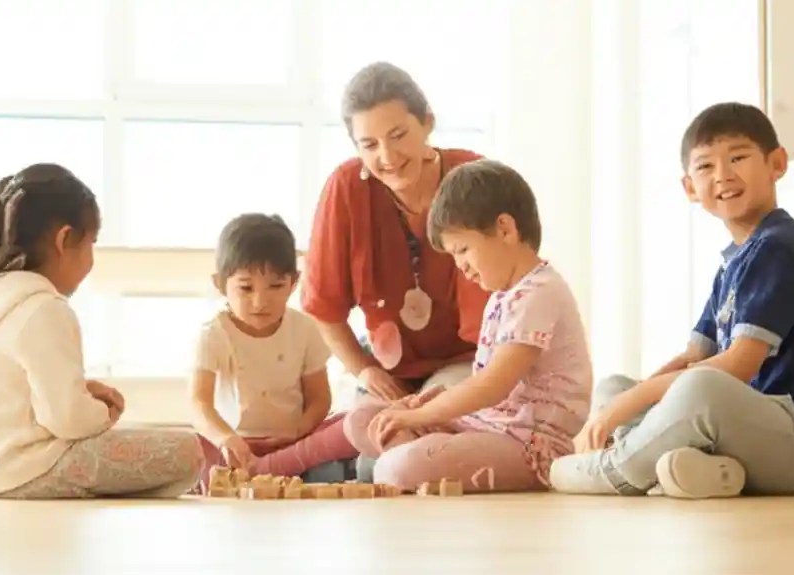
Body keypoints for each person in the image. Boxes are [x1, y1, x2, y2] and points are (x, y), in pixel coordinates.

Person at [549, 102, 794, 499]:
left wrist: (633, 404)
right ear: (690, 188)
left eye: (738, 157)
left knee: (699, 391)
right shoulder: (735, 261)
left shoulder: (779, 248)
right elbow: (693, 356)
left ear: (776, 163)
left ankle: (619, 467)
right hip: (753, 434)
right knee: (615, 386)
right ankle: (702, 472)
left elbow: (736, 366)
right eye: (706, 167)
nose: (723, 175)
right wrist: (628, 400)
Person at [0, 163, 201, 499]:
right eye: (91, 242)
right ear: (64, 240)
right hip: (24, 470)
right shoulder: (43, 307)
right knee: (188, 450)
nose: (92, 259)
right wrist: (103, 413)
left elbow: (17, 394)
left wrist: (83, 391)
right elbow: (67, 421)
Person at [344, 160, 592, 492]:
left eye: (462, 250)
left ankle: (418, 462)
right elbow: (489, 394)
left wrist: (421, 417)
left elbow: (493, 387)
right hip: (490, 426)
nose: (461, 267)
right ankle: (424, 460)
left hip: (528, 443)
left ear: (505, 229)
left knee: (398, 464)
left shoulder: (539, 293)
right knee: (362, 419)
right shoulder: (505, 295)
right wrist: (428, 406)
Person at [303, 61, 490, 404]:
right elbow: (322, 305)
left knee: (430, 423)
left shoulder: (472, 178)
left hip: (467, 363)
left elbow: (505, 293)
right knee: (369, 431)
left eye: (398, 135)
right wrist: (363, 370)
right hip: (386, 365)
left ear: (427, 122)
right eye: (369, 145)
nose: (387, 156)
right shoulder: (346, 188)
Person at [189, 213, 358, 492]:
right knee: (191, 450)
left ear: (294, 282)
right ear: (220, 284)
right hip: (234, 445)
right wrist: (226, 439)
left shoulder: (304, 328)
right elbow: (199, 403)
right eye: (245, 288)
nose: (260, 301)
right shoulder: (214, 333)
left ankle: (284, 470)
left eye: (276, 286)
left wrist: (299, 429)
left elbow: (319, 397)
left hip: (291, 443)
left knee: (347, 423)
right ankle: (258, 473)